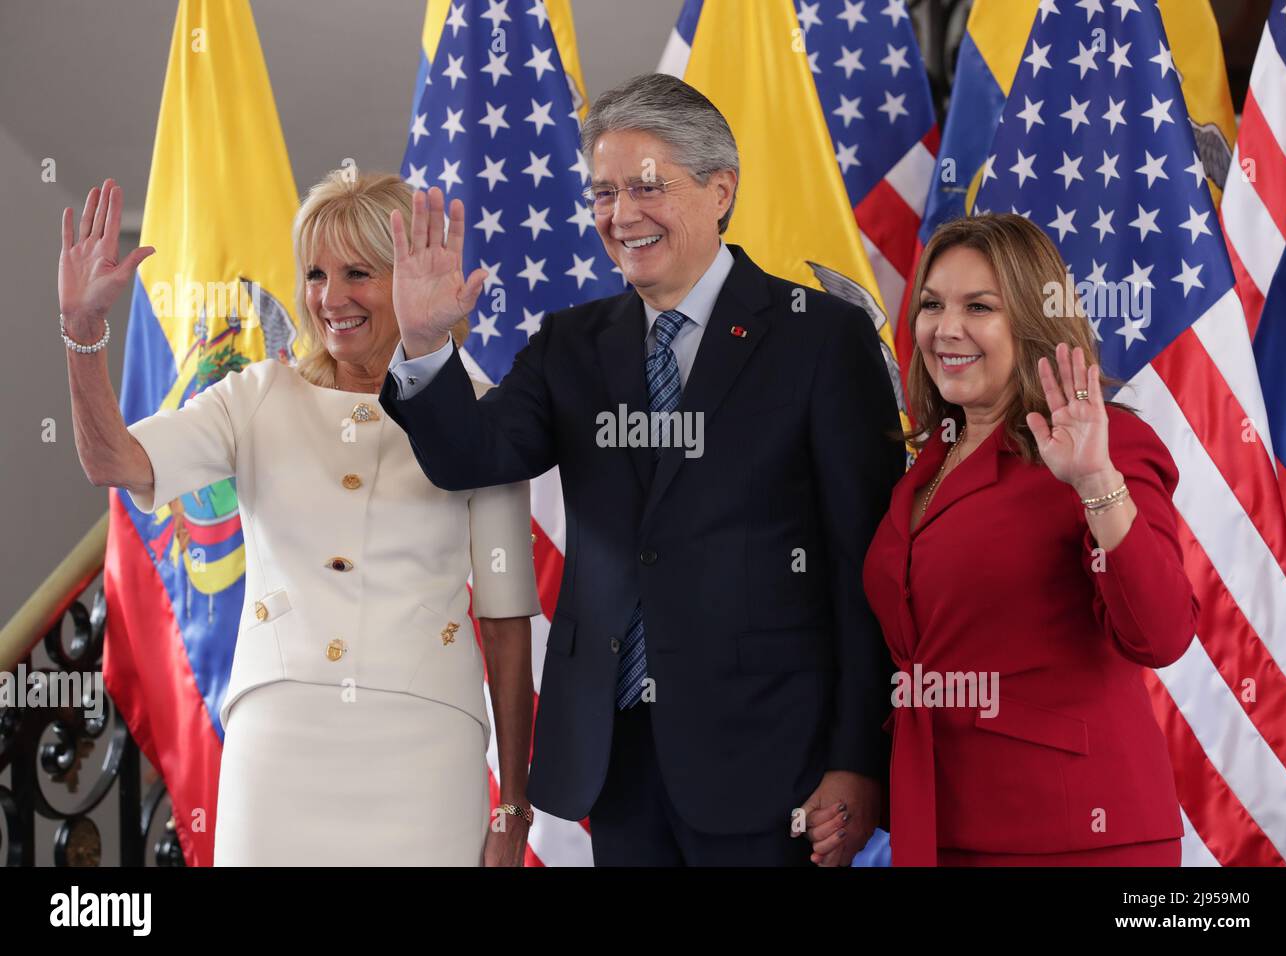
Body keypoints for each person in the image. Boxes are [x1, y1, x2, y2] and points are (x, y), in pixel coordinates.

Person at [379, 73, 904, 866]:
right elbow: (471, 457)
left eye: (647, 186)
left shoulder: (821, 338)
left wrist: (857, 758)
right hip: (616, 761)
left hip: (773, 763)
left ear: (719, 191)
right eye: (603, 193)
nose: (621, 215)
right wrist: (424, 346)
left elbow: (862, 563)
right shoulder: (571, 342)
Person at [58, 172, 540, 866]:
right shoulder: (255, 395)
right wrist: (83, 332)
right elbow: (116, 461)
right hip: (278, 744)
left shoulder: (484, 414)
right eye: (315, 273)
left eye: (357, 273)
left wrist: (512, 806)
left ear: (411, 280)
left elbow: (504, 620)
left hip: (426, 751)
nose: (329, 297)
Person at [863, 213, 1198, 866]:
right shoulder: (931, 458)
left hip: (1072, 831)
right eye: (931, 304)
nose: (945, 328)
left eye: (979, 306)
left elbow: (1160, 635)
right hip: (940, 818)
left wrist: (1096, 479)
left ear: (1031, 320)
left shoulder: (1106, 443)